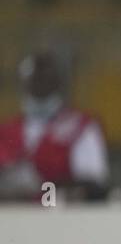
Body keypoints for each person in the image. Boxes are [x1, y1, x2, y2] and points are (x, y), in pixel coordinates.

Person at [0, 51, 109, 202]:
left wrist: (43, 187)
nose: (40, 89)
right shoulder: (5, 133)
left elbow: (94, 184)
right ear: (23, 85)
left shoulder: (80, 127)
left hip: (63, 218)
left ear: (58, 84)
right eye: (35, 82)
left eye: (46, 81)